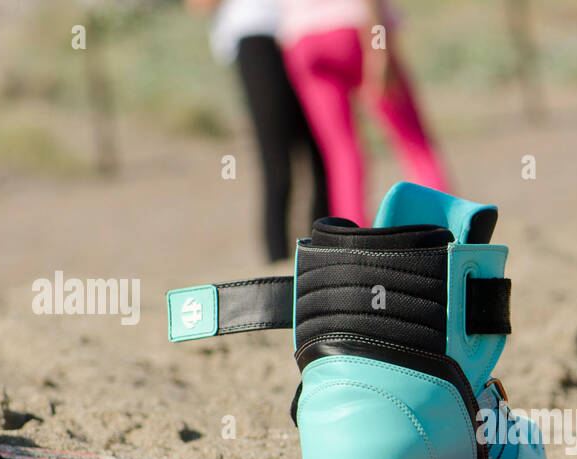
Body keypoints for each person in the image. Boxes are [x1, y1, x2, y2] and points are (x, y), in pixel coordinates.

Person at [277, 0, 451, 226]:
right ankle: (444, 226)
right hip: (351, 30)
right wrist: (380, 49)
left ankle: (352, 241)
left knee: (341, 152)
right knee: (414, 142)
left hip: (302, 41)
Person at [189, 0, 329, 262]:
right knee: (277, 164)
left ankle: (323, 257)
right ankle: (277, 265)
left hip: (310, 30)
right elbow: (201, 5)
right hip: (258, 36)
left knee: (323, 155)